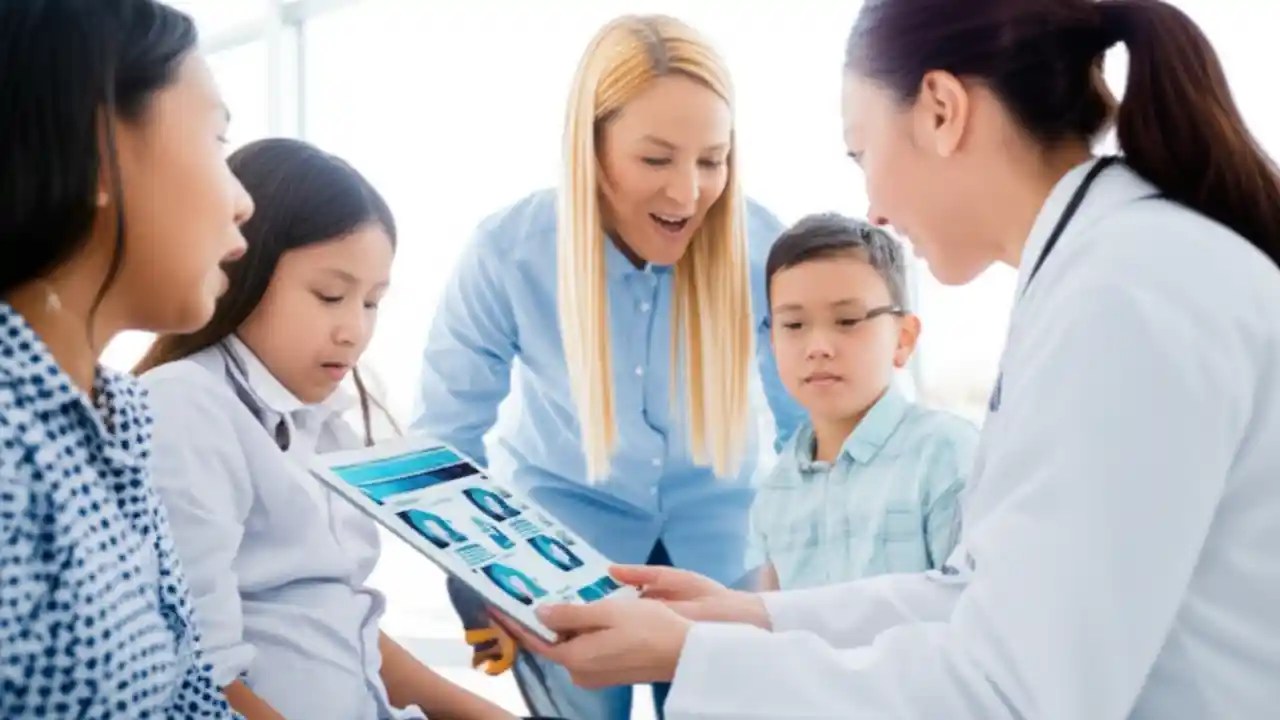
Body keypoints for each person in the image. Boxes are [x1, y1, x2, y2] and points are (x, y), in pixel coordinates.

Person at [497, 1, 1280, 718]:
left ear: (941, 111)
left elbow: (1007, 692)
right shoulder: (1108, 268)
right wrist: (748, 615)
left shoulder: (1125, 294)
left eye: (860, 150)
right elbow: (975, 596)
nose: (870, 206)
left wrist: (697, 656)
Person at [413, 13, 804, 719]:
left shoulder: (763, 248)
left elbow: (816, 433)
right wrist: (472, 579)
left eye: (711, 159)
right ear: (590, 147)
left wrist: (808, 584)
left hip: (726, 557)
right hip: (559, 562)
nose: (688, 194)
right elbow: (442, 442)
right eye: (656, 160)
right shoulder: (509, 253)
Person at [134, 138, 515, 720]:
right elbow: (199, 676)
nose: (354, 331)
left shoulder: (333, 423)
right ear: (243, 268)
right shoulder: (187, 405)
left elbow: (347, 626)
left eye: (371, 303)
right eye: (331, 295)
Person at [0, 1, 252, 717]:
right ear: (98, 146)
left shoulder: (120, 416)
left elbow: (189, 697)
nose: (243, 204)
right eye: (218, 140)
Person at [746, 213, 977, 591]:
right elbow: (768, 628)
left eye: (848, 320)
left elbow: (973, 610)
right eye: (794, 325)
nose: (818, 347)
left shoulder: (945, 456)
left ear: (903, 338)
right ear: (773, 343)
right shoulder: (774, 495)